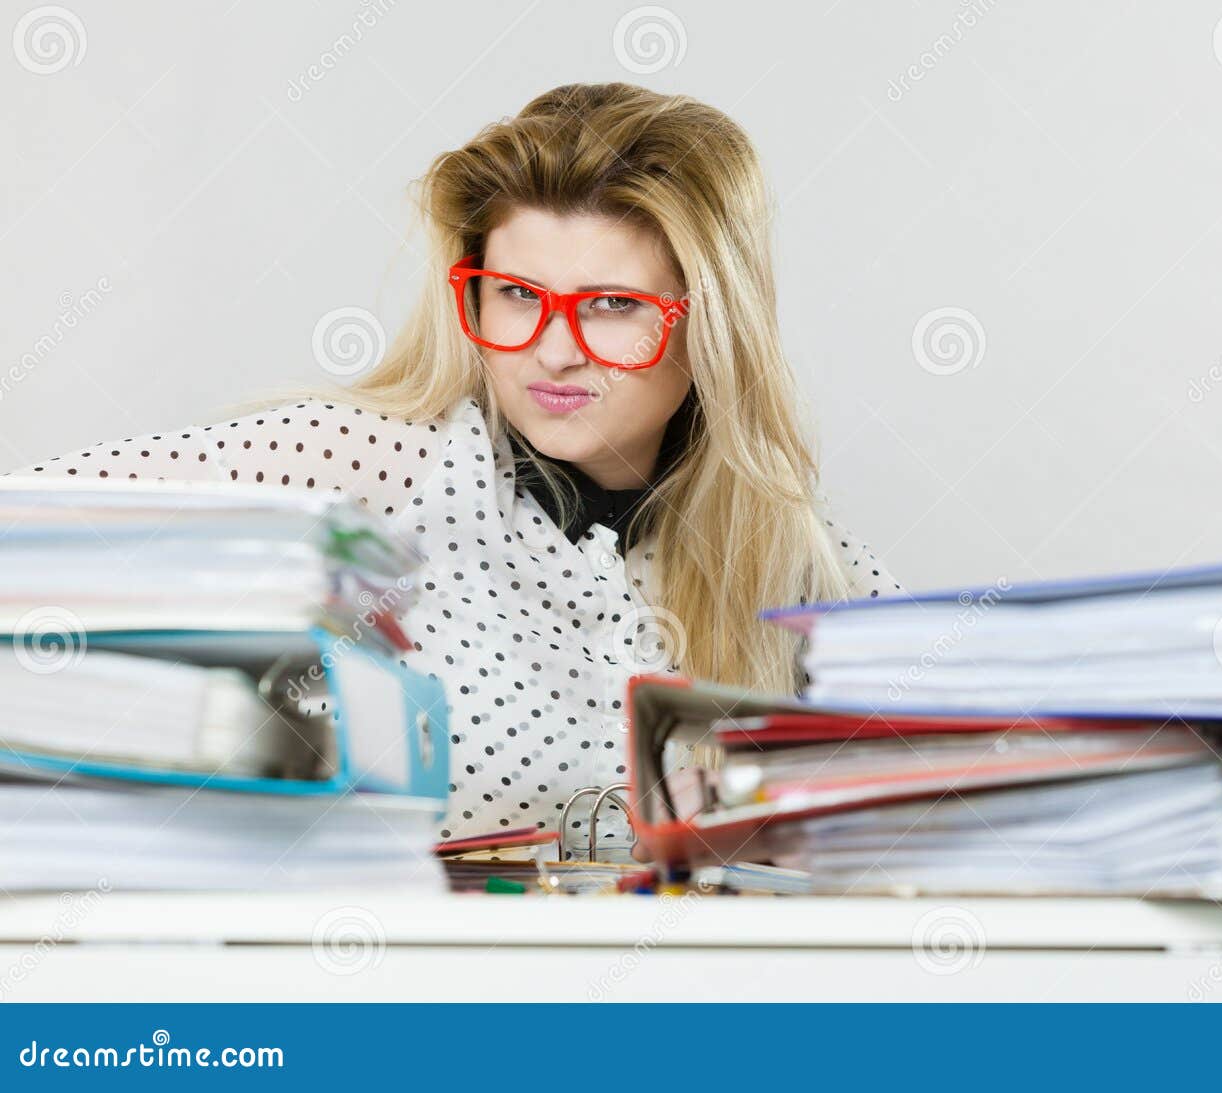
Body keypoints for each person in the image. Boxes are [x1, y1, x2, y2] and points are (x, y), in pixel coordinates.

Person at [10, 81, 900, 848]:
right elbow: (33, 534)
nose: (553, 352)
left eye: (614, 305)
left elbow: (966, 790)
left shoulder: (804, 568)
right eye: (517, 295)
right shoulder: (356, 466)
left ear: (710, 326)